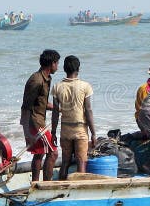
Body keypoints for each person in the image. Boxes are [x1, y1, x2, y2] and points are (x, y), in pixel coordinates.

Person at [51, 55, 96, 179]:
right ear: (78, 69)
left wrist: (53, 132)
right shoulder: (85, 86)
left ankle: (61, 186)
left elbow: (55, 112)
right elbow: (88, 110)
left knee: (65, 162)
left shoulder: (57, 87)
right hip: (80, 130)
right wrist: (93, 133)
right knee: (81, 162)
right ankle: (78, 192)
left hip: (65, 129)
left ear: (65, 69)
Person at [20, 49, 60, 182]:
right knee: (53, 153)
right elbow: (26, 107)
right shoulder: (36, 81)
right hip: (35, 123)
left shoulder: (46, 78)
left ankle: (36, 184)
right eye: (57, 63)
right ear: (51, 63)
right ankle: (47, 184)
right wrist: (27, 133)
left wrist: (59, 109)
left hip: (38, 121)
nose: (58, 66)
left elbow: (41, 103)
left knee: (39, 154)